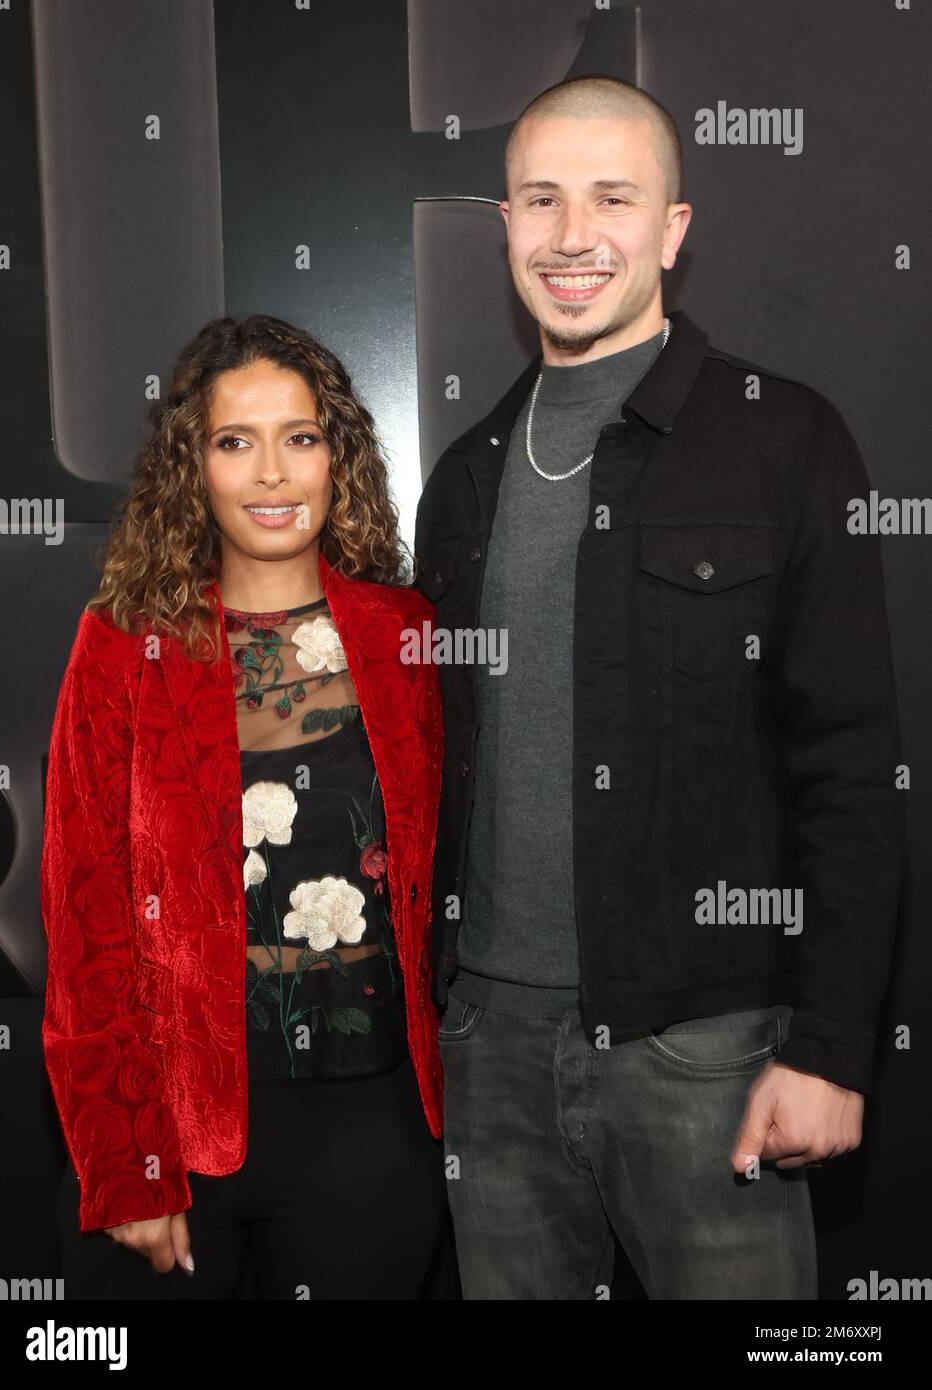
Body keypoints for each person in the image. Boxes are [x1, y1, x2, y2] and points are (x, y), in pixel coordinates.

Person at [413, 75, 905, 1300]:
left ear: (671, 230)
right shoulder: (464, 477)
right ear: (506, 229)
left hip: (708, 1054)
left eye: (611, 198)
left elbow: (850, 767)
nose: (572, 235)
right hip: (488, 1054)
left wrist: (833, 1050)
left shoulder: (781, 439)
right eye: (539, 200)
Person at [41, 314, 454, 1299]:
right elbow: (85, 915)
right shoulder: (122, 646)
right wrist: (129, 1157)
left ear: (335, 457)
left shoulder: (406, 638)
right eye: (236, 441)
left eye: (299, 437)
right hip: (177, 1130)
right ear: (195, 468)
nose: (272, 473)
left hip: (374, 1125)